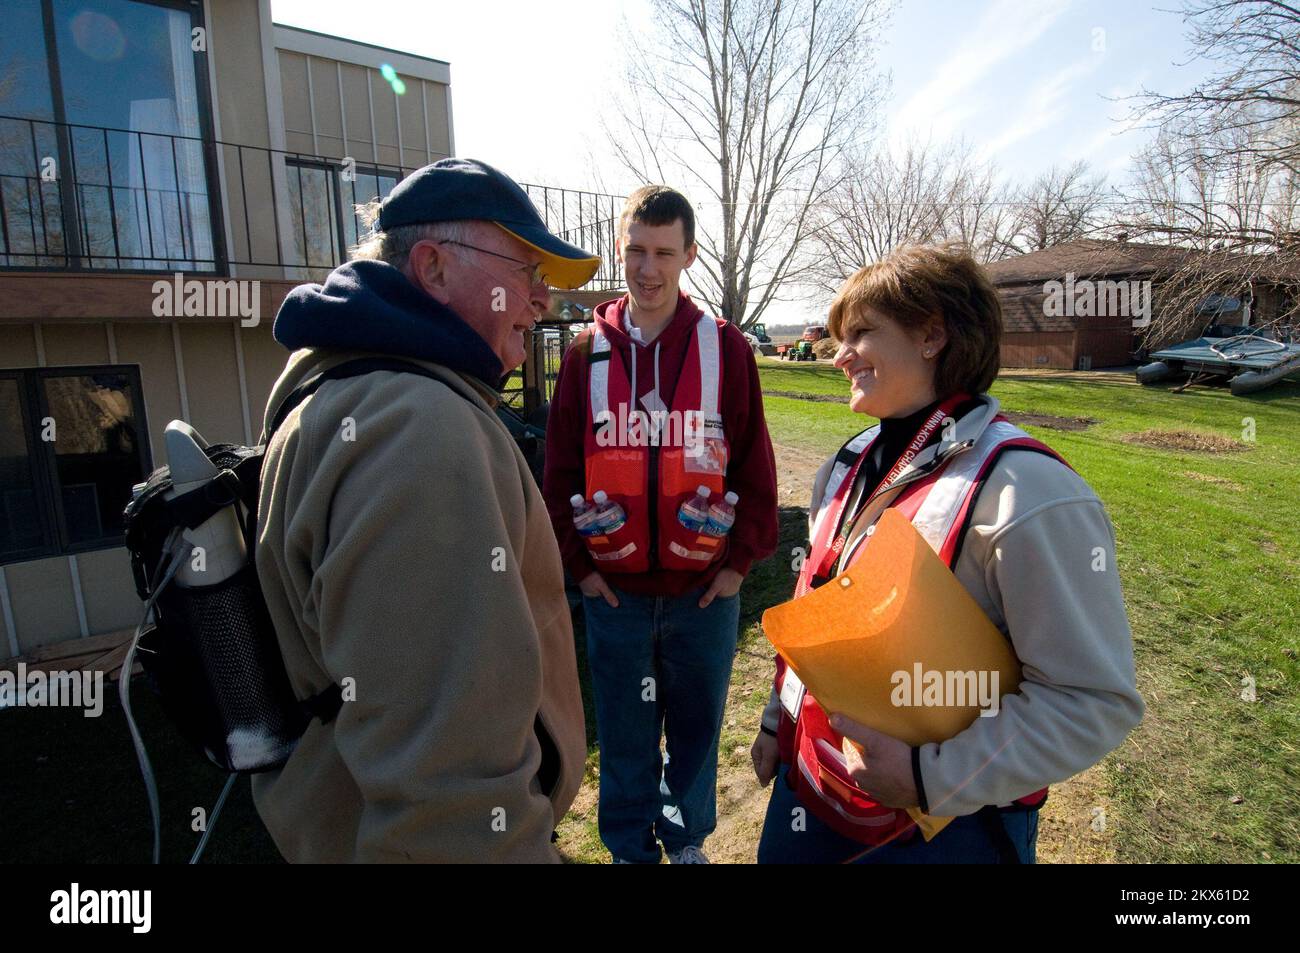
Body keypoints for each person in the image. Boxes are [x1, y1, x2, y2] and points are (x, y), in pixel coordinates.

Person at [751, 243, 1145, 863]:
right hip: (811, 792)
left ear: (932, 335)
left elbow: (1092, 700)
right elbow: (816, 614)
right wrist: (780, 722)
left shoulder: (1028, 490)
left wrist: (932, 777)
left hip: (943, 832)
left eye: (860, 334)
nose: (839, 355)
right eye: (837, 337)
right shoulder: (844, 465)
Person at [252, 158, 596, 863]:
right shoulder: (419, 431)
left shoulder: (352, 390)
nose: (543, 302)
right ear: (434, 267)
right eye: (526, 270)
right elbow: (451, 807)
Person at [543, 185, 778, 864]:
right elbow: (558, 474)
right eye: (636, 250)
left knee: (698, 732)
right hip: (613, 594)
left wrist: (738, 566)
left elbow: (754, 470)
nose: (649, 268)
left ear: (689, 256)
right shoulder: (585, 351)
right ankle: (627, 848)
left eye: (664, 253)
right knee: (623, 731)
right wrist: (580, 569)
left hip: (702, 594)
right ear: (620, 250)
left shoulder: (725, 349)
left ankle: (685, 841)